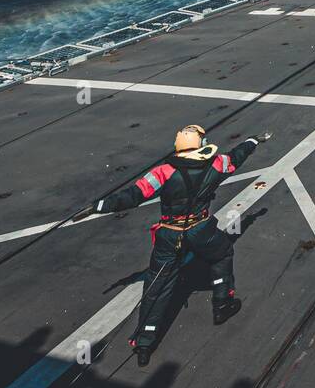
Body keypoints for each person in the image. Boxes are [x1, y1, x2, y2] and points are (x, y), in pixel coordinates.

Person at [73, 124, 270, 366]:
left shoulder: (163, 172)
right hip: (201, 228)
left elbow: (132, 196)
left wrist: (98, 206)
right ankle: (222, 303)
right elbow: (236, 158)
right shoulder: (216, 163)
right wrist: (252, 141)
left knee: (158, 286)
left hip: (170, 234)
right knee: (222, 255)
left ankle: (144, 343)